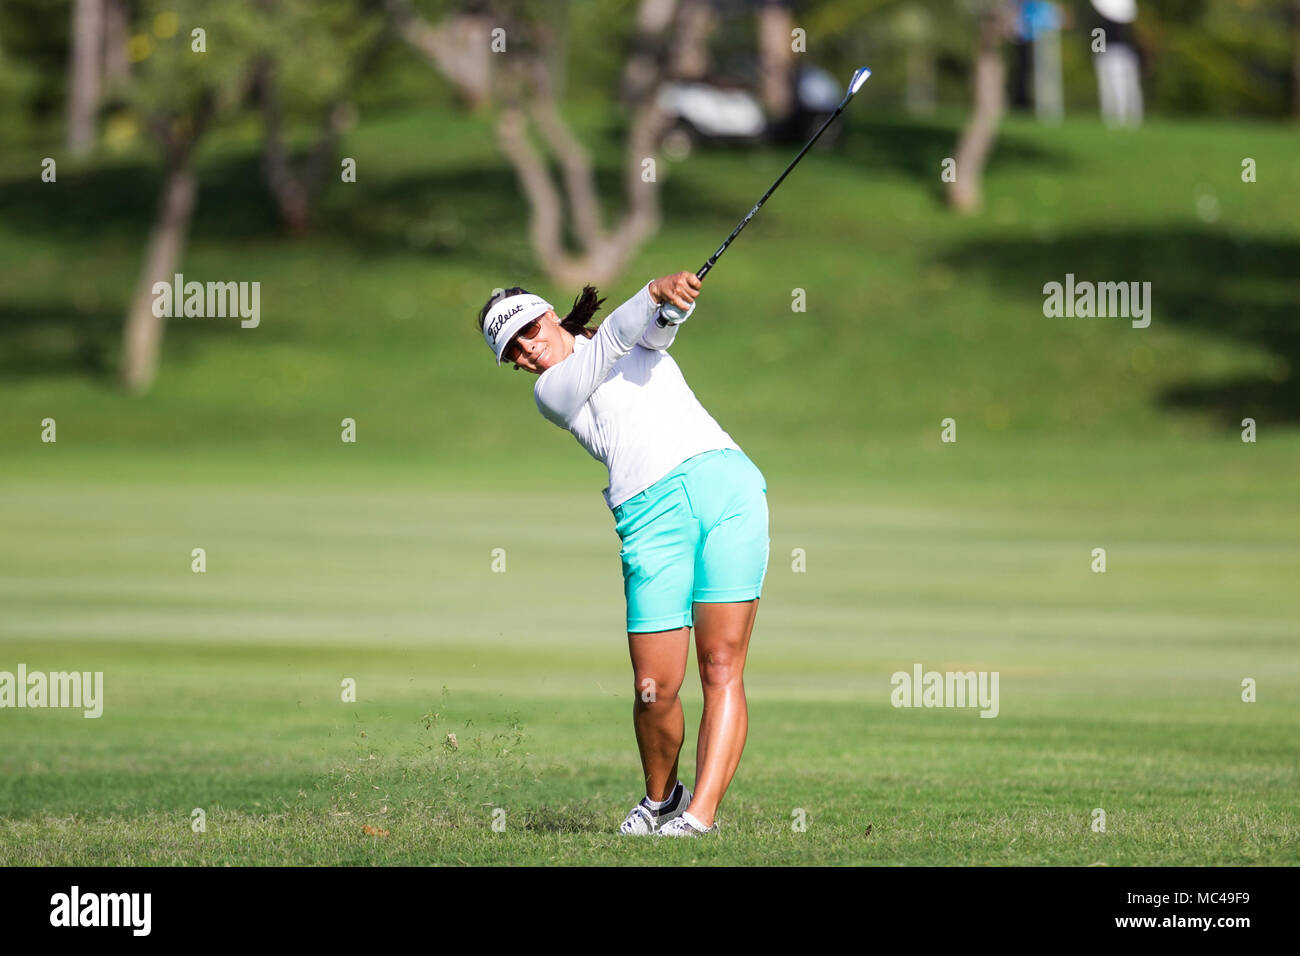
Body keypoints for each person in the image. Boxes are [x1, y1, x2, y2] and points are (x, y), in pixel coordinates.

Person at [477, 272, 770, 837]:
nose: (527, 349)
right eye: (513, 350)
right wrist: (655, 292)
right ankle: (661, 799)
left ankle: (699, 817)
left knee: (721, 665)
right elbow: (611, 341)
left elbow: (654, 334)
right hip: (650, 514)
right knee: (655, 687)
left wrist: (673, 304)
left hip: (729, 486)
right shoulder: (553, 392)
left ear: (550, 316)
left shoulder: (630, 336)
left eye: (529, 330)